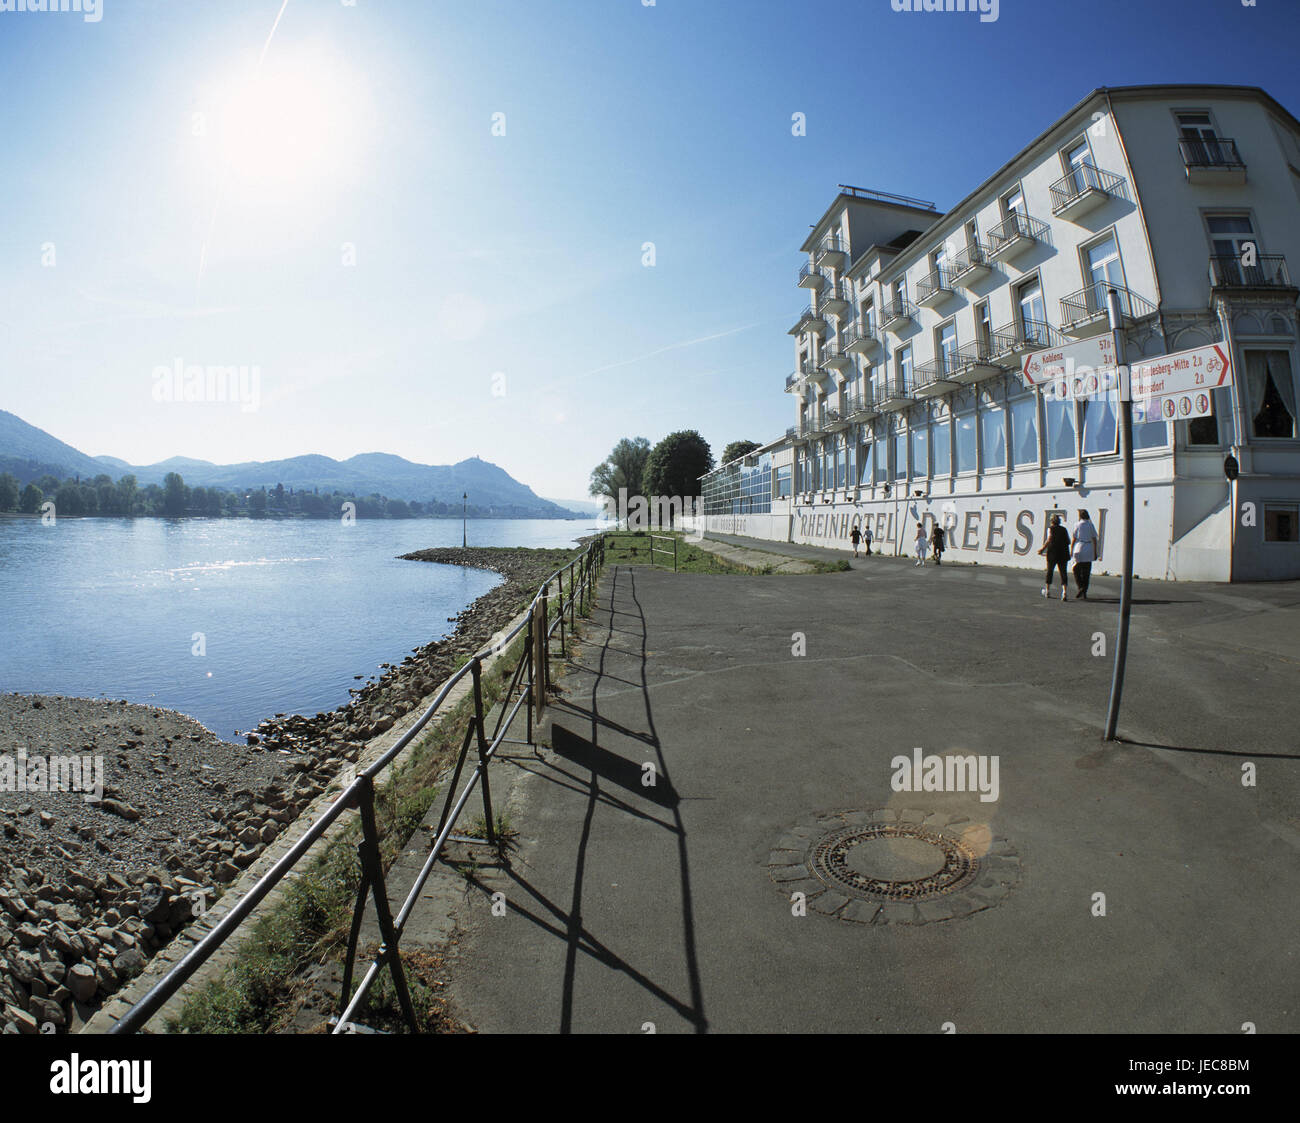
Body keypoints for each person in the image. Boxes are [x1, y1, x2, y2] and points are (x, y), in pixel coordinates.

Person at [1038, 514, 1070, 601]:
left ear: (1051, 521)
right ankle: (1064, 592)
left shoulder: (1050, 529)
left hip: (1053, 552)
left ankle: (1047, 590)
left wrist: (1042, 549)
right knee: (1063, 572)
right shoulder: (1064, 529)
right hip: (1063, 552)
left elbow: (1049, 539)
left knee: (1050, 571)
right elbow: (1068, 541)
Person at [1071, 509, 1100, 600]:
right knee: (1086, 572)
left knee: (1076, 569)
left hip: (1079, 547)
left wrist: (1071, 550)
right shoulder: (1091, 525)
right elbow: (1094, 540)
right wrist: (1095, 552)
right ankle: (1084, 590)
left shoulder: (1077, 525)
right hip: (1088, 548)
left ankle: (1080, 586)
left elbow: (1074, 539)